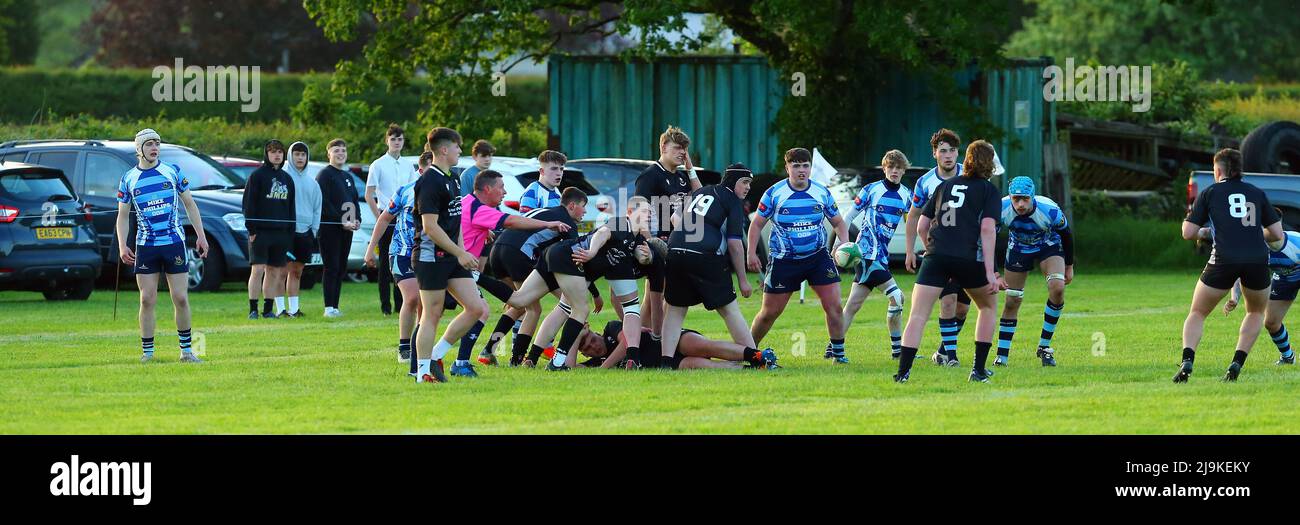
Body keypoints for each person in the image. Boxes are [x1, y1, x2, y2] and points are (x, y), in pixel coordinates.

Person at [503, 197, 659, 371]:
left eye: (651, 212)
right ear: (630, 212)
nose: (650, 216)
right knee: (580, 310)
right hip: (568, 257)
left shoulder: (635, 238)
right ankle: (556, 362)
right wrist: (592, 252)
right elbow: (602, 233)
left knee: (522, 301)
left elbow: (641, 255)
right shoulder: (623, 223)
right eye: (645, 211)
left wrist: (648, 256)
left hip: (561, 257)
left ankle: (530, 358)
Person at [893, 140, 1004, 384]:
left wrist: (931, 248)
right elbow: (987, 229)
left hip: (936, 255)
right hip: (968, 257)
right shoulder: (989, 191)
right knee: (987, 308)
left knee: (918, 315)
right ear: (990, 164)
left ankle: (902, 373)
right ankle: (978, 370)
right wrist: (990, 272)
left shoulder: (946, 185)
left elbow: (922, 224)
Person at [448, 169, 572, 377]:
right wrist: (548, 224)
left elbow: (462, 222)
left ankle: (476, 353)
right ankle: (516, 358)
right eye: (501, 187)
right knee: (528, 307)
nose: (505, 192)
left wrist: (483, 230)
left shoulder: (467, 201)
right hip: (509, 255)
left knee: (515, 305)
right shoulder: (534, 192)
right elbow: (513, 221)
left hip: (497, 250)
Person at [1176, 148, 1283, 383]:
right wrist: (1251, 233)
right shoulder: (1256, 193)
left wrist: (1205, 230)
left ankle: (1187, 361)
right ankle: (1236, 363)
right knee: (1255, 312)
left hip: (1224, 259)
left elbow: (1188, 232)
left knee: (1197, 312)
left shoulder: (1210, 192)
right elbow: (1276, 234)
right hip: (1256, 259)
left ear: (1217, 169)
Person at [744, 147, 849, 360]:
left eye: (805, 165)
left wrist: (843, 244)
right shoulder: (774, 193)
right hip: (784, 261)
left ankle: (838, 354)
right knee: (769, 313)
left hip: (818, 257)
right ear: (787, 167)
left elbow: (838, 222)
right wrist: (751, 253)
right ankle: (747, 351)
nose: (801, 170)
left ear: (810, 168)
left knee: (835, 307)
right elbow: (755, 225)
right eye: (796, 165)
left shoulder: (822, 192)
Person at [116, 128, 209, 363]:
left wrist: (201, 235)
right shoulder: (129, 178)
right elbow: (123, 216)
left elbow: (190, 204)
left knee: (180, 297)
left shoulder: (172, 171)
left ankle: (187, 352)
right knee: (147, 299)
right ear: (139, 149)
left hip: (174, 243)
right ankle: (148, 354)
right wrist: (122, 245)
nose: (154, 147)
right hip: (146, 246)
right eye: (149, 144)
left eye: (157, 143)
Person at [481, 188, 593, 366]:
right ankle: (517, 359)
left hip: (498, 250)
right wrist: (593, 293)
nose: (585, 211)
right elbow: (574, 259)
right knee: (533, 309)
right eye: (583, 206)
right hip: (518, 253)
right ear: (572, 206)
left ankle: (489, 350)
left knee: (519, 305)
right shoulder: (566, 222)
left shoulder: (549, 211)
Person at [659, 163, 756, 367]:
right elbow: (735, 244)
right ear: (732, 181)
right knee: (730, 310)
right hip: (703, 255)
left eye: (749, 183)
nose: (747, 187)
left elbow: (675, 218)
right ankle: (758, 358)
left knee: (676, 310)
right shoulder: (732, 200)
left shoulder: (701, 191)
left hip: (674, 250)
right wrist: (743, 280)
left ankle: (666, 362)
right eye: (744, 182)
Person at [412, 127, 488, 384]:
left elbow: (455, 222)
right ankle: (422, 373)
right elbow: (430, 227)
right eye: (457, 147)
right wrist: (460, 253)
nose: (460, 151)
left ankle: (436, 355)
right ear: (444, 150)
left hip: (452, 256)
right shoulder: (429, 181)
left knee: (476, 308)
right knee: (431, 314)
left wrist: (462, 252)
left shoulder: (453, 178)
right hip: (429, 256)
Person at [904, 129, 971, 366]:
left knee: (962, 308)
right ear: (935, 154)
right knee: (948, 301)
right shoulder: (925, 182)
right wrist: (912, 250)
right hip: (941, 252)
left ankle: (943, 350)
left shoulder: (970, 175)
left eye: (952, 150)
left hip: (969, 253)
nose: (948, 155)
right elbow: (913, 217)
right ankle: (952, 357)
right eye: (943, 151)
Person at [993, 176, 1074, 367]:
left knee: (1058, 288)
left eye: (1025, 199)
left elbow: (1067, 235)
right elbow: (989, 238)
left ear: (1032, 196)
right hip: (1018, 249)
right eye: (1016, 199)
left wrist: (1069, 266)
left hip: (1048, 245)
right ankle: (1002, 355)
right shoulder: (1000, 208)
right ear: (1010, 197)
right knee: (1013, 299)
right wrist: (994, 271)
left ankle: (1044, 347)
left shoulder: (1049, 210)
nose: (1020, 204)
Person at [841, 150, 913, 360]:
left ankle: (833, 346)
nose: (895, 171)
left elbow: (912, 222)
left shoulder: (906, 194)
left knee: (852, 306)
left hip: (881, 256)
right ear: (884, 169)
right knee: (897, 297)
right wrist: (842, 242)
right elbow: (848, 216)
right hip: (866, 254)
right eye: (891, 167)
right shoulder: (871, 190)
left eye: (899, 168)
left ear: (903, 170)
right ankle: (898, 351)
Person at [634, 126, 702, 338]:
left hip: (675, 241)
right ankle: (654, 337)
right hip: (657, 241)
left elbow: (700, 195)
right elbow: (638, 211)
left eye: (685, 149)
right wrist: (649, 241)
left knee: (655, 295)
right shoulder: (650, 175)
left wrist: (690, 168)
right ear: (663, 147)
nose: (682, 152)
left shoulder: (681, 176)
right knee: (660, 293)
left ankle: (641, 340)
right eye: (677, 148)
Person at [364, 151, 427, 362]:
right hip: (401, 252)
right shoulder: (406, 192)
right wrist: (371, 249)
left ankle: (420, 344)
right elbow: (383, 219)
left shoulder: (445, 192)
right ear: (420, 170)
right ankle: (404, 347)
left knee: (426, 303)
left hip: (428, 254)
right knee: (412, 298)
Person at [1223, 224, 1300, 366]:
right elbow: (1240, 273)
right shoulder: (1255, 249)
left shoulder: (1296, 242)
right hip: (1283, 278)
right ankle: (1288, 357)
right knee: (1271, 322)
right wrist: (1234, 297)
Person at [585, 320, 779, 370]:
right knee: (699, 366)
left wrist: (603, 366)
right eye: (586, 349)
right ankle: (753, 370)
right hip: (669, 363)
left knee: (704, 346)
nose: (593, 347)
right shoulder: (594, 363)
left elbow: (627, 342)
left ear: (595, 332)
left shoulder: (611, 329)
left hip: (670, 341)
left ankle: (759, 356)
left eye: (592, 340)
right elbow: (564, 366)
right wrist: (576, 339)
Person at [242, 140, 295, 320]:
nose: (277, 155)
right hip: (260, 232)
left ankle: (268, 309)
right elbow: (248, 204)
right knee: (257, 270)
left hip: (280, 233)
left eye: (280, 152)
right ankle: (253, 309)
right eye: (273, 152)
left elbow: (291, 207)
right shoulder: (257, 176)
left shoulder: (287, 179)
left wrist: (290, 232)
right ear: (266, 154)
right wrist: (252, 229)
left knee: (274, 271)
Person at [366, 124, 415, 316]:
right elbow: (369, 194)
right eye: (393, 139)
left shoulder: (407, 165)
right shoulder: (377, 164)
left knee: (402, 261)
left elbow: (413, 190)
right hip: (386, 217)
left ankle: (400, 304)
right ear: (387, 141)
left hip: (404, 220)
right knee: (385, 265)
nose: (396, 142)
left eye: (400, 139)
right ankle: (385, 306)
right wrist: (380, 218)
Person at [317, 139, 362, 318]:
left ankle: (335, 306)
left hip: (347, 229)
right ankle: (328, 307)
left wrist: (356, 219)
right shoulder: (324, 175)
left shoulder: (347, 176)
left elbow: (353, 201)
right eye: (337, 150)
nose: (341, 153)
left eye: (343, 150)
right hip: (330, 228)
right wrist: (340, 221)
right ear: (329, 154)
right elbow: (324, 202)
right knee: (332, 266)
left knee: (341, 267)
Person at [280, 141, 322, 318]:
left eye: (303, 155)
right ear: (290, 156)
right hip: (285, 233)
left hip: (305, 234)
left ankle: (294, 309)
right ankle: (280, 309)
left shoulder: (313, 184)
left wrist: (313, 231)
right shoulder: (282, 178)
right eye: (296, 154)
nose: (300, 158)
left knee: (297, 271)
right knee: (281, 271)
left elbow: (317, 209)